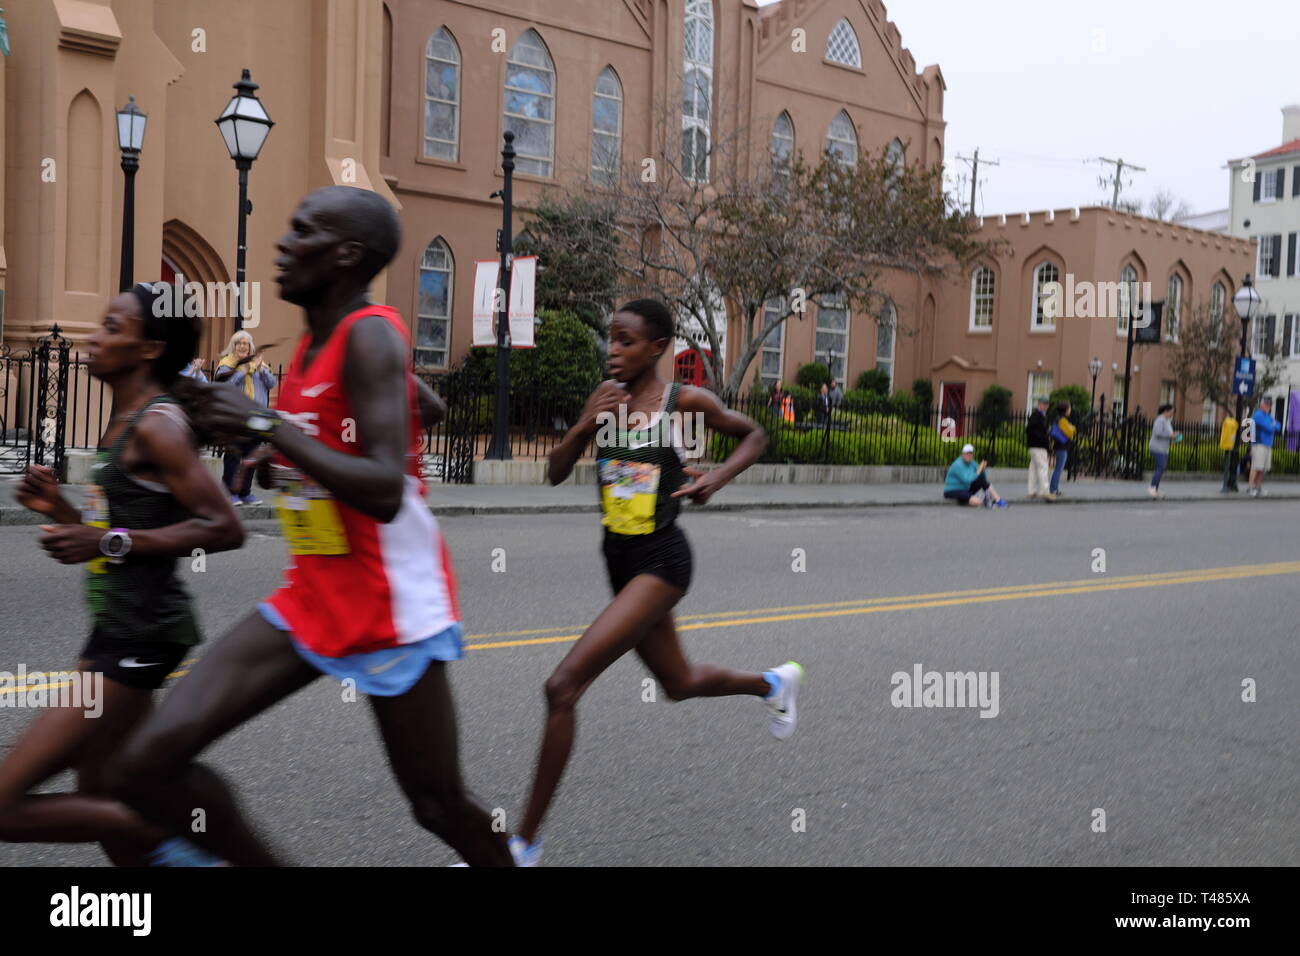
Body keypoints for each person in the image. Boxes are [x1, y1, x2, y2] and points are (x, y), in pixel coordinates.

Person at [110, 186, 514, 867]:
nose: (283, 242)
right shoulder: (310, 346)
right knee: (146, 762)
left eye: (303, 232)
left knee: (437, 804)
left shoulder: (372, 335)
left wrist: (262, 425)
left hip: (390, 604)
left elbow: (386, 490)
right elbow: (425, 407)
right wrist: (285, 462)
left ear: (346, 255)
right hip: (314, 593)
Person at [510, 298, 802, 867]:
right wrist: (585, 423)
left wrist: (714, 478)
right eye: (611, 340)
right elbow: (554, 472)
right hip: (619, 563)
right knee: (679, 682)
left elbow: (754, 435)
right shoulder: (608, 400)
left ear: (658, 348)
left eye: (626, 341)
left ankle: (523, 845)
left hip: (662, 564)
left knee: (561, 687)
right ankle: (772, 685)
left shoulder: (683, 402)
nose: (613, 351)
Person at [1, 283, 243, 866]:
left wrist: (104, 538)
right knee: (103, 796)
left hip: (137, 640)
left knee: (5, 804)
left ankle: (182, 853)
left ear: (148, 349)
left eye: (112, 327)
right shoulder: (127, 423)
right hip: (118, 633)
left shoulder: (159, 427)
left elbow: (223, 526)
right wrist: (61, 511)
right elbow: (112, 536)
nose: (94, 337)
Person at [215, 331, 277, 506]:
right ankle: (229, 493)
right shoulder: (227, 365)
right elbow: (224, 386)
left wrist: (258, 368)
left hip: (256, 418)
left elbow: (272, 384)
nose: (243, 346)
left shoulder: (260, 364)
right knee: (233, 456)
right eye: (239, 343)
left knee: (251, 456)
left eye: (246, 343)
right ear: (233, 346)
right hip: (235, 417)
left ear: (251, 347)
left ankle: (245, 492)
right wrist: (241, 372)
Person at [944, 443, 1008, 507]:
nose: (969, 455)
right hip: (952, 490)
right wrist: (978, 471)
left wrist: (982, 468)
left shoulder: (972, 463)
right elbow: (967, 480)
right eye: (967, 453)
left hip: (965, 489)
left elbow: (983, 477)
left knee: (982, 480)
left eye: (970, 454)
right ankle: (987, 502)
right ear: (962, 454)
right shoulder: (957, 465)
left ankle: (998, 500)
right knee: (973, 500)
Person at [1247, 395, 1283, 497]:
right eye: (1266, 404)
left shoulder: (1268, 416)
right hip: (1259, 444)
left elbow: (1279, 426)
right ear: (1261, 405)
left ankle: (1257, 488)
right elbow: (1269, 428)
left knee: (1262, 468)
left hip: (1267, 445)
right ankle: (1250, 488)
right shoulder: (1258, 415)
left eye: (1269, 404)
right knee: (1256, 467)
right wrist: (1273, 424)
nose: (1268, 406)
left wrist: (1274, 424)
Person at [1148, 404, 1180, 498]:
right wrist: (1170, 436)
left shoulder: (1167, 421)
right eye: (1171, 412)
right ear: (1166, 411)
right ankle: (1152, 487)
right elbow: (1157, 433)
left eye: (1173, 412)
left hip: (1163, 448)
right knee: (1161, 467)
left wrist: (1174, 436)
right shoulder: (1160, 420)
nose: (1172, 414)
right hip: (1156, 447)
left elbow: (1168, 434)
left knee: (1160, 468)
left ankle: (1155, 490)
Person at [1025, 396, 1053, 500]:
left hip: (1034, 445)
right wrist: (1044, 438)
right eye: (1043, 404)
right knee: (1043, 467)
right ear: (1039, 404)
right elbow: (1030, 430)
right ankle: (1044, 491)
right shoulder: (1037, 416)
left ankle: (1031, 491)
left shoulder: (1039, 416)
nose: (1045, 406)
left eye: (1046, 404)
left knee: (1033, 468)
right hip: (1038, 446)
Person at [1048, 400, 1076, 498]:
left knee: (1058, 468)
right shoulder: (1062, 420)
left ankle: (1055, 488)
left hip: (1059, 446)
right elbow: (1070, 432)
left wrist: (1070, 427)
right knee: (1058, 469)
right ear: (1065, 410)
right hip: (1062, 447)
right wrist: (1073, 428)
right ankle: (1053, 489)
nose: (1070, 410)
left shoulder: (1059, 419)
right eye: (1069, 408)